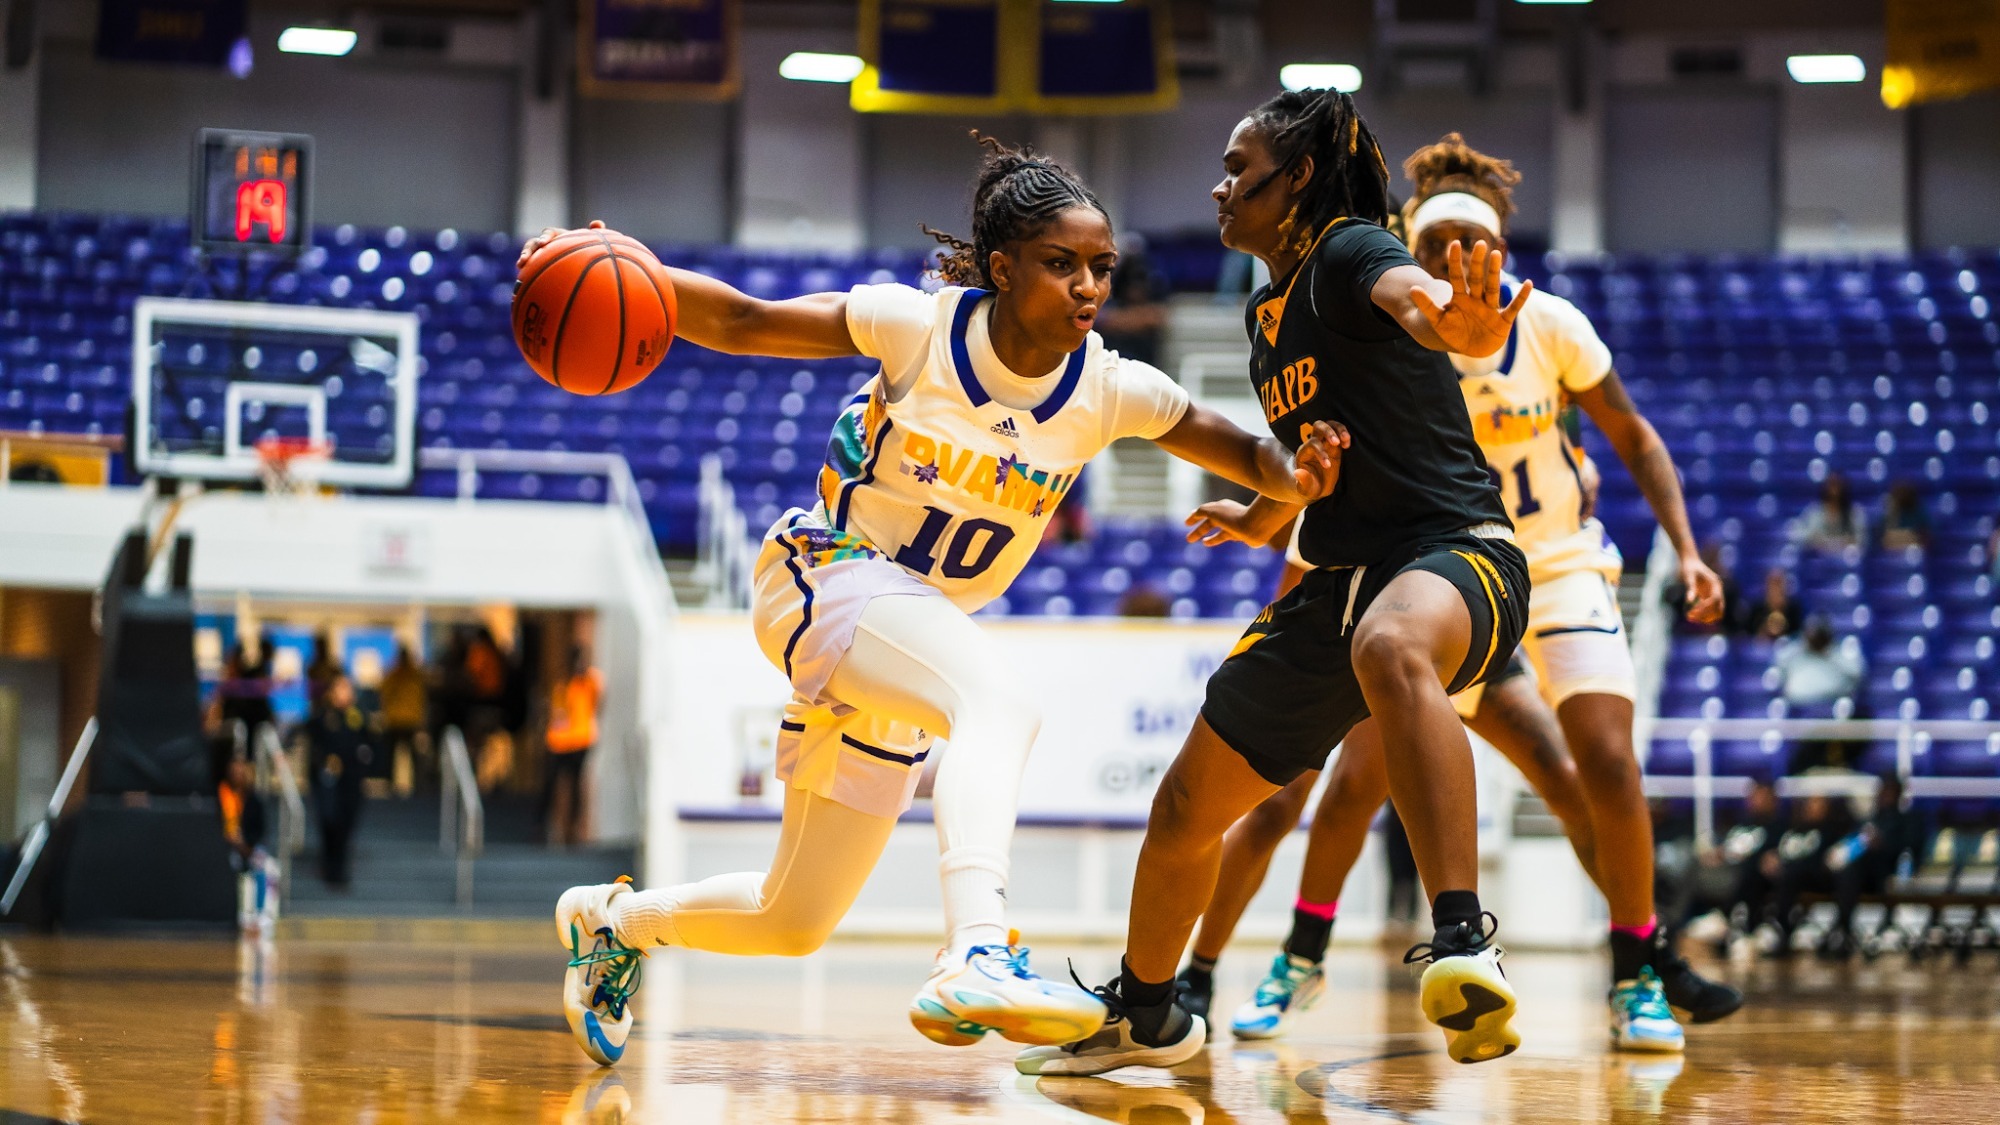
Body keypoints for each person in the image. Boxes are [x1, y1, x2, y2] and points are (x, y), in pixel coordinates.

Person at [529, 133, 1345, 1067]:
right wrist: (616, 263)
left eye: (1101, 269)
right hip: (823, 575)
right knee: (999, 703)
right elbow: (751, 322)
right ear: (1002, 267)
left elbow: (1251, 455)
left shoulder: (1112, 390)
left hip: (901, 639)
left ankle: (615, 923)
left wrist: (1289, 483)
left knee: (791, 918)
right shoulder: (920, 328)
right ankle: (978, 950)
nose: (1088, 286)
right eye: (1061, 264)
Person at [1159, 131, 1738, 1056]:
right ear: (1405, 247)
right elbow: (1324, 458)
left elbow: (1631, 435)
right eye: (1428, 250)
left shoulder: (1539, 324)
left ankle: (1637, 962)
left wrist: (1685, 547)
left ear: (1494, 250)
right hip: (1406, 566)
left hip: (1532, 567)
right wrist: (1268, 518)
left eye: (1462, 248)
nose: (1442, 264)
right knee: (1327, 787)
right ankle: (1263, 960)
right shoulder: (1369, 318)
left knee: (1594, 763)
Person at [1020, 93, 1537, 1077]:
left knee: (1390, 646)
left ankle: (1464, 941)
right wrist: (1262, 514)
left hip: (1454, 551)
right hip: (1337, 572)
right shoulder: (1265, 312)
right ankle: (1148, 1010)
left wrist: (1452, 320)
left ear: (1294, 179)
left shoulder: (1348, 250)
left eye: (1235, 166)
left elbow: (1411, 306)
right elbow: (1317, 455)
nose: (1217, 187)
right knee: (1183, 809)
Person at [1819, 776, 1924, 957]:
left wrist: (1882, 845)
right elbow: (1850, 844)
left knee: (1852, 871)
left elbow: (1911, 848)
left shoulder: (1908, 821)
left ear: (1899, 795)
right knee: (1847, 870)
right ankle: (1842, 929)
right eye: (1883, 792)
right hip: (1857, 877)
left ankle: (1840, 929)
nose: (1885, 797)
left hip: (1884, 874)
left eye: (1890, 792)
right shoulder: (1869, 821)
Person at [307, 674, 379, 889]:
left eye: (349, 689)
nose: (346, 693)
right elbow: (313, 739)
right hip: (330, 781)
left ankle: (339, 867)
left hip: (352, 780)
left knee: (347, 822)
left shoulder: (357, 717)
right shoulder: (324, 716)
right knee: (330, 821)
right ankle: (331, 867)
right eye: (341, 688)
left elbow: (371, 744)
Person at [544, 647, 603, 847]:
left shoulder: (589, 682)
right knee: (552, 783)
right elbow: (558, 712)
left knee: (577, 787)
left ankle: (573, 830)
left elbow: (598, 701)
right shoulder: (564, 685)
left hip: (580, 741)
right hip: (560, 742)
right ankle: (549, 828)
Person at [378, 643, 429, 795]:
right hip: (407, 720)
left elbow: (383, 693)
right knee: (405, 754)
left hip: (398, 720)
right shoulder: (414, 675)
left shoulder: (396, 675)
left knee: (395, 754)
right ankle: (414, 784)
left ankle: (395, 783)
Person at [1791, 472, 1866, 554]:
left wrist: (1831, 544)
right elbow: (1809, 539)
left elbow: (1861, 540)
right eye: (1831, 484)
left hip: (1846, 559)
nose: (1834, 490)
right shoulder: (1815, 512)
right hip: (1820, 559)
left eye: (1837, 484)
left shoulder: (1855, 512)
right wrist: (1837, 543)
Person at [1744, 566, 1804, 641]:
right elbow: (1748, 636)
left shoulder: (1793, 609)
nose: (1776, 589)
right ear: (1767, 586)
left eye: (1779, 584)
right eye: (1773, 584)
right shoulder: (1757, 609)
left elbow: (1797, 636)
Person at [1877, 480, 1931, 552]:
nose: (1901, 497)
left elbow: (1926, 538)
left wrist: (1900, 537)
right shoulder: (1887, 517)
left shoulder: (1920, 514)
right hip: (1892, 557)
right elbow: (1884, 541)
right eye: (1897, 496)